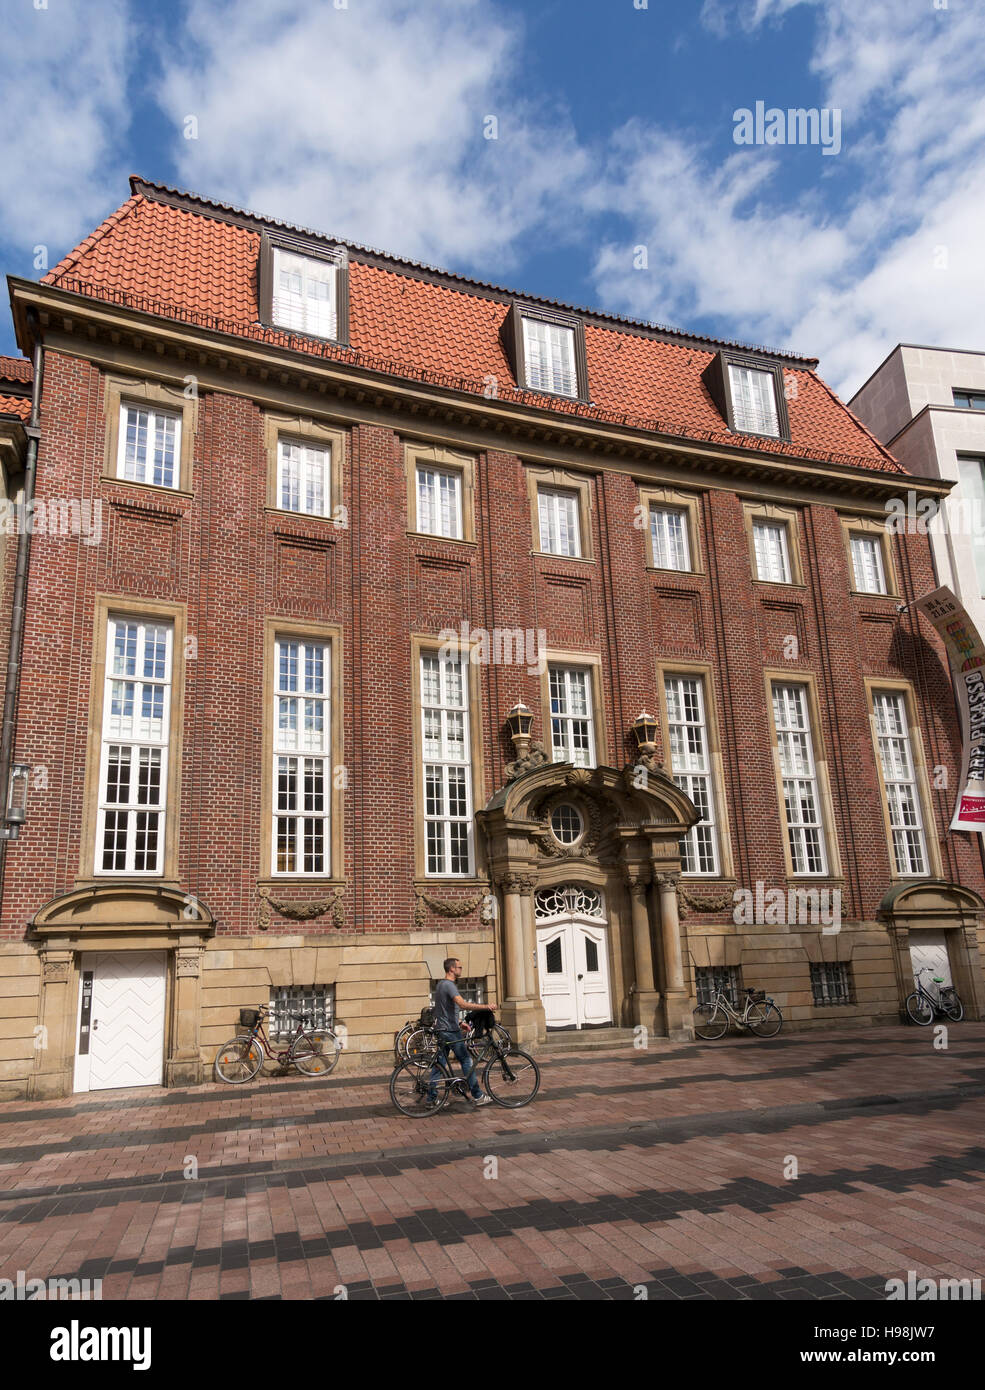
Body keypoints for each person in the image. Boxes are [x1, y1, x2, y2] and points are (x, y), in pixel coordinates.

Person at [427, 957, 496, 1107]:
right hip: (450, 1031)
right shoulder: (449, 985)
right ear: (451, 969)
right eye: (459, 967)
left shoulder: (440, 985)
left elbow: (442, 1010)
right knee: (466, 1060)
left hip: (444, 1028)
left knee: (439, 1064)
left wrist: (460, 1022)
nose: (461, 969)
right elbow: (462, 1004)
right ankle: (477, 1095)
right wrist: (486, 1007)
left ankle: (431, 1098)